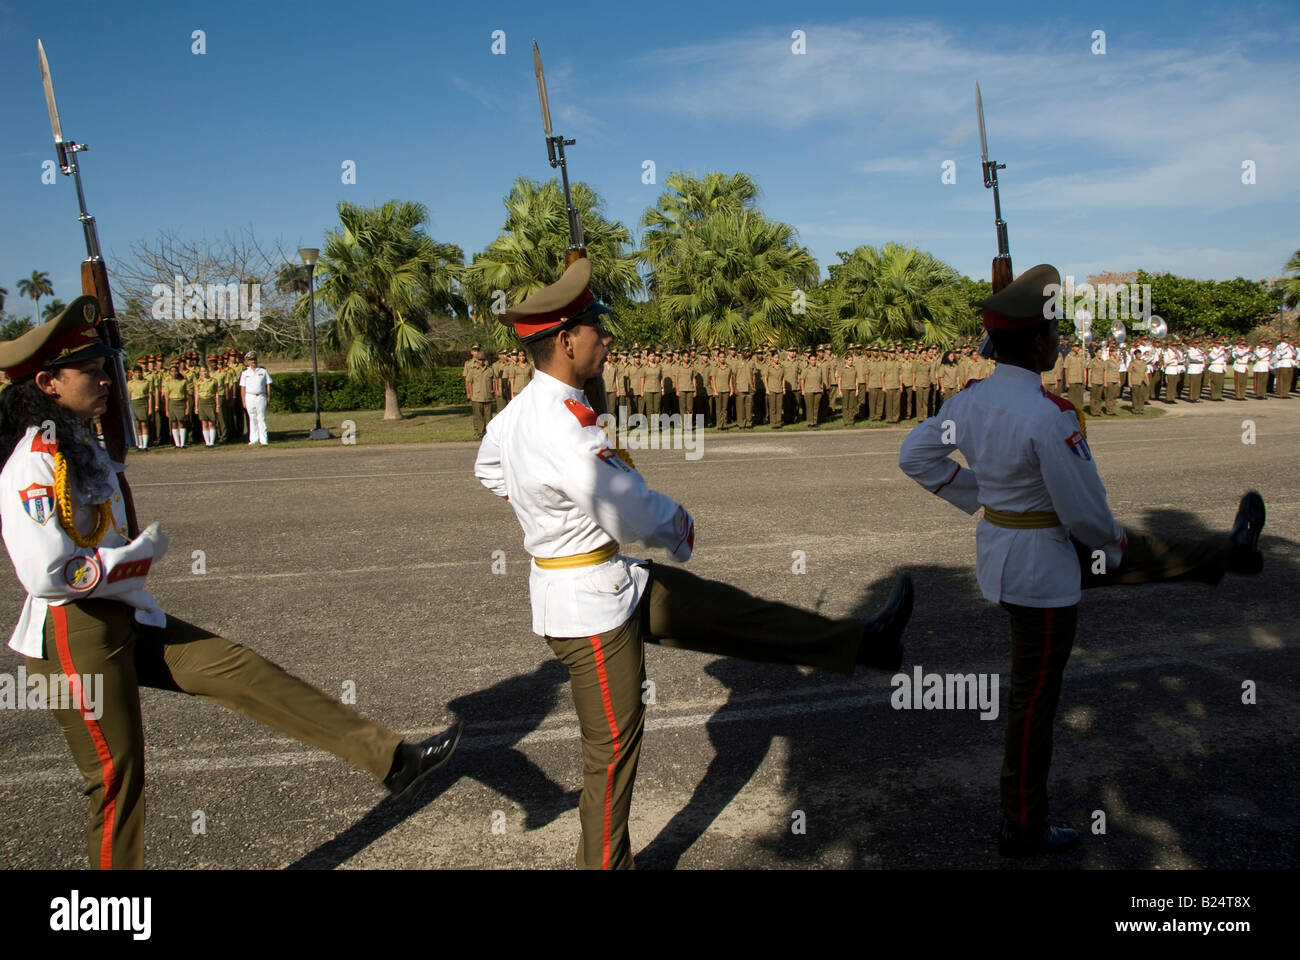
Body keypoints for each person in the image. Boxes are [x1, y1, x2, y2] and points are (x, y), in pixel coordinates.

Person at [474, 260, 914, 869]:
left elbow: (489, 469)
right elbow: (624, 505)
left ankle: (860, 643)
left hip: (608, 579)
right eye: (596, 328)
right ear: (565, 339)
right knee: (610, 752)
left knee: (732, 614)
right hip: (585, 607)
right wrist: (675, 528)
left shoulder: (518, 415)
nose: (606, 338)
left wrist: (542, 505)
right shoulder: (560, 423)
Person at [0, 298, 461, 869]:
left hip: (125, 617)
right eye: (90, 370)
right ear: (46, 382)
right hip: (76, 634)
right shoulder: (34, 463)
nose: (105, 378)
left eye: (104, 366)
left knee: (241, 670)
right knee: (117, 779)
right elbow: (48, 573)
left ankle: (392, 760)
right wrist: (133, 558)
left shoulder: (86, 449)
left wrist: (126, 556)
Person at [898, 265, 1265, 857]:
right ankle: (1021, 826)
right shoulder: (1049, 416)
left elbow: (915, 455)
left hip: (1011, 553)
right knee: (1034, 700)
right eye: (1054, 334)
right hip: (1044, 568)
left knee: (1138, 558)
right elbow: (1086, 516)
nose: (1060, 342)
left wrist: (983, 497)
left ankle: (1227, 555)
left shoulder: (968, 402)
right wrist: (1106, 542)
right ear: (1039, 343)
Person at [238, 351, 273, 446]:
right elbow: (242, 387)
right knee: (252, 418)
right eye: (251, 360)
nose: (253, 361)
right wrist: (243, 400)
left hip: (261, 396)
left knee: (261, 417)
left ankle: (263, 439)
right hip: (250, 396)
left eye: (254, 359)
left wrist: (268, 397)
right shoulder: (245, 373)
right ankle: (253, 438)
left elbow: (268, 385)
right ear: (248, 361)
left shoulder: (263, 371)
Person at [126, 364, 151, 450]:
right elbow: (128, 396)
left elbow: (150, 396)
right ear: (133, 373)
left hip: (143, 402)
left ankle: (145, 445)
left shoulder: (146, 382)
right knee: (137, 425)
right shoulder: (130, 383)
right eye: (136, 373)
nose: (138, 374)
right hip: (134, 402)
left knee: (144, 424)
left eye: (139, 372)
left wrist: (150, 407)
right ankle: (139, 444)